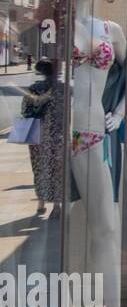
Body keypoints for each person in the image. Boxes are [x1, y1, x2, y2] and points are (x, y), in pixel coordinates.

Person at [22, 58, 62, 217]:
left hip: (37, 136)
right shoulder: (61, 89)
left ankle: (41, 203)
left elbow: (25, 111)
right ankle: (57, 205)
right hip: (57, 136)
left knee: (39, 169)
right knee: (57, 169)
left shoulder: (33, 89)